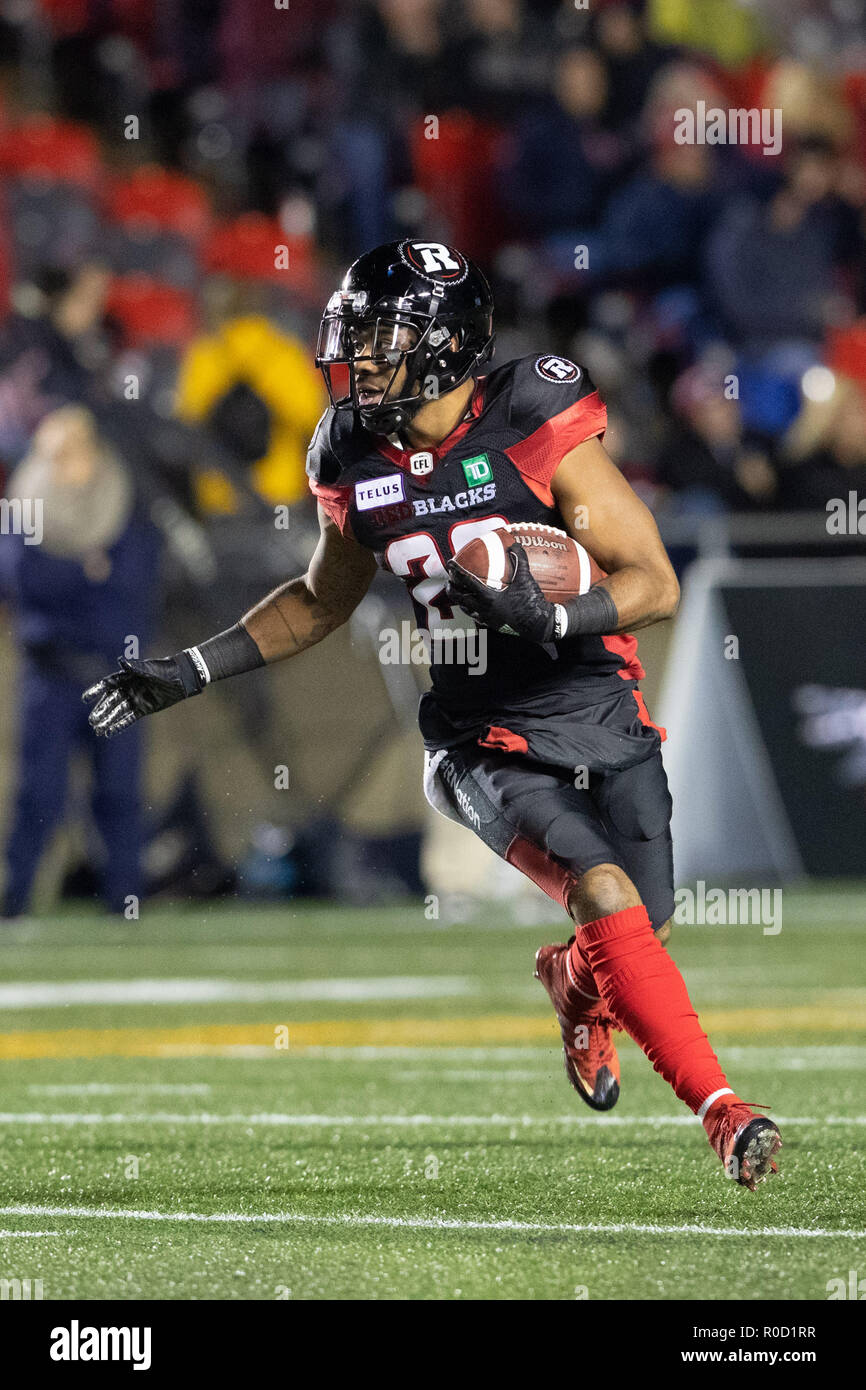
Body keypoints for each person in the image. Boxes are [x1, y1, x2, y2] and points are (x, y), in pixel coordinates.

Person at [83, 240, 782, 1190]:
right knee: (607, 897)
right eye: (353, 337)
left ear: (447, 346)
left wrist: (552, 614)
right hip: (477, 735)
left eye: (380, 339)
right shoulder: (348, 448)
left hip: (594, 703)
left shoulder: (532, 415)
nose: (357, 359)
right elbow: (321, 600)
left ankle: (573, 988)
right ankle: (723, 1110)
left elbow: (654, 583)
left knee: (636, 928)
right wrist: (196, 666)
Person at [2, 406, 159, 918]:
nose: (55, 464)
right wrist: (86, 570)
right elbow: (24, 581)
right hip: (50, 671)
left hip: (115, 671)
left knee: (119, 794)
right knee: (37, 794)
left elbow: (134, 584)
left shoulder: (123, 498)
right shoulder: (26, 500)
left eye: (66, 452)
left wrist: (73, 573)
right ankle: (15, 900)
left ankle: (125, 899)